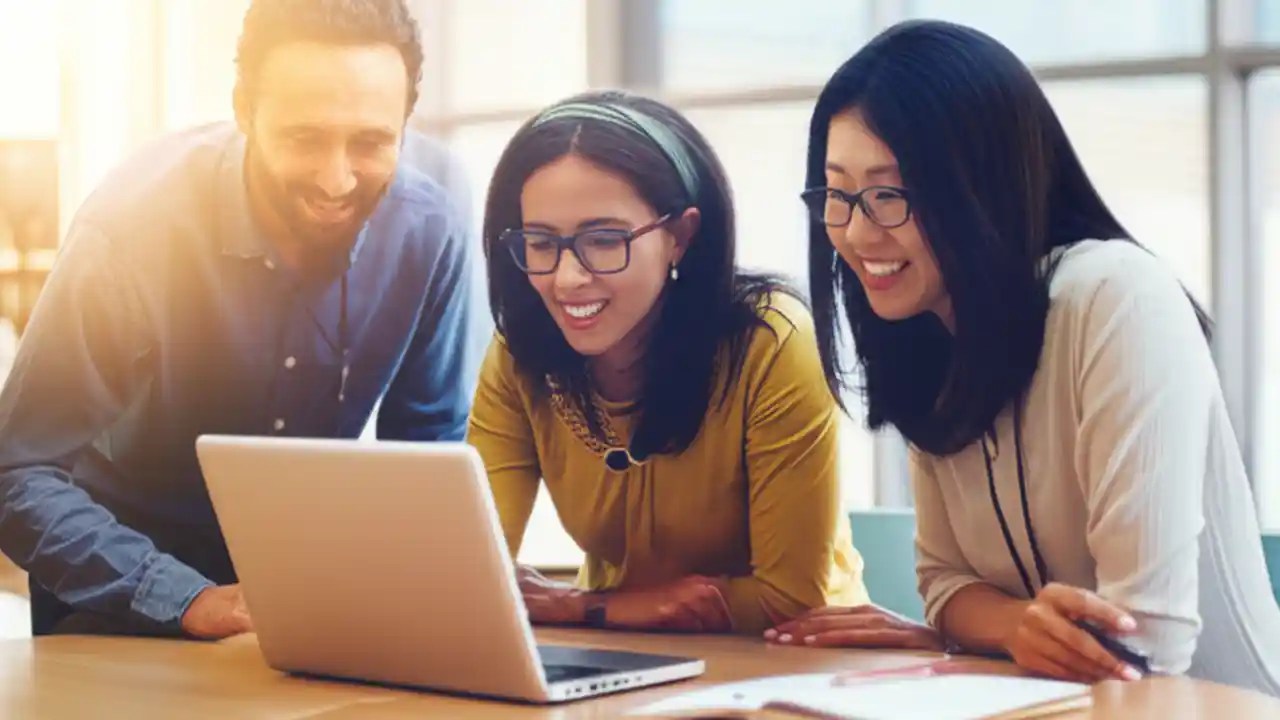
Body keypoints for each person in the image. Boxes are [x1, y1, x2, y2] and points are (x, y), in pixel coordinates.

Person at [766, 20, 1280, 696]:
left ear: (980, 185)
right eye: (839, 194)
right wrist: (1011, 627)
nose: (858, 232)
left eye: (890, 194)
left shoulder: (1115, 298)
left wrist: (998, 627)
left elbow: (1141, 640)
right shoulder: (927, 326)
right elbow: (945, 587)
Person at [0, 0, 477, 639]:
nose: (336, 179)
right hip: (114, 604)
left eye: (369, 142)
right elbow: (18, 471)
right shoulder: (133, 227)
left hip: (307, 607)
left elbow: (428, 461)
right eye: (305, 138)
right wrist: (188, 599)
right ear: (244, 109)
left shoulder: (430, 231)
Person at [466, 90, 868, 635]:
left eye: (604, 240)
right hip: (628, 655)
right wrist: (606, 609)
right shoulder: (522, 352)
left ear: (680, 236)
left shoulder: (772, 341)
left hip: (800, 663)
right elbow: (473, 569)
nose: (566, 279)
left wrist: (586, 606)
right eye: (541, 243)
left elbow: (790, 598)